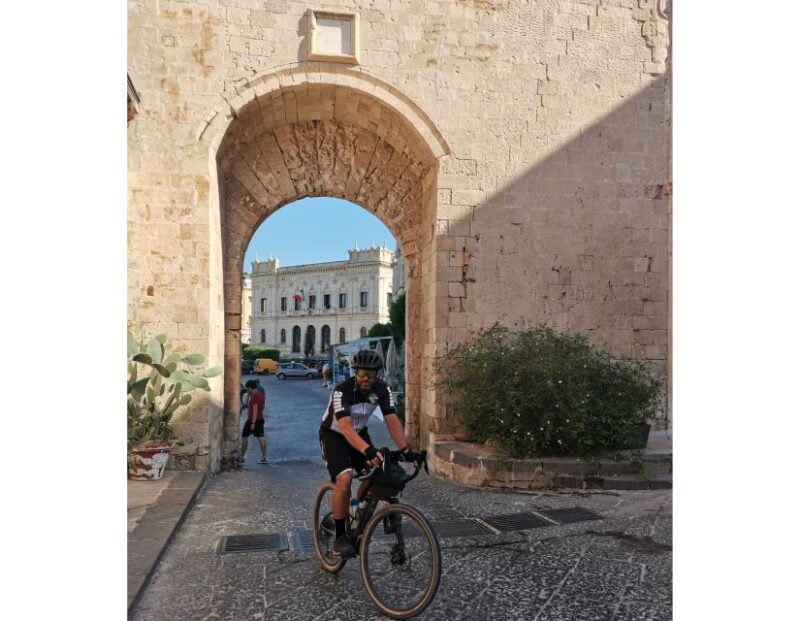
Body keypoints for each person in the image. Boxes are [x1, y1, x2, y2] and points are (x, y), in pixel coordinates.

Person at [319, 349, 421, 558]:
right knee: (345, 478)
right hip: (334, 435)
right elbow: (345, 427)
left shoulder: (382, 389)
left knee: (378, 471)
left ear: (378, 374)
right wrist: (367, 450)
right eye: (362, 373)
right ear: (355, 371)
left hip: (360, 433)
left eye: (371, 374)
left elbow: (391, 419)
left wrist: (406, 450)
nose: (366, 378)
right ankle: (340, 537)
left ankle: (354, 509)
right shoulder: (342, 390)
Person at [239, 379, 269, 465]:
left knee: (244, 436)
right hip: (260, 419)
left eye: (247, 389)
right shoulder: (261, 395)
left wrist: (252, 423)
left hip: (252, 420)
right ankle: (264, 457)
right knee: (261, 437)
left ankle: (242, 457)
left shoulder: (255, 396)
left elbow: (255, 409)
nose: (247, 391)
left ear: (250, 388)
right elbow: (262, 408)